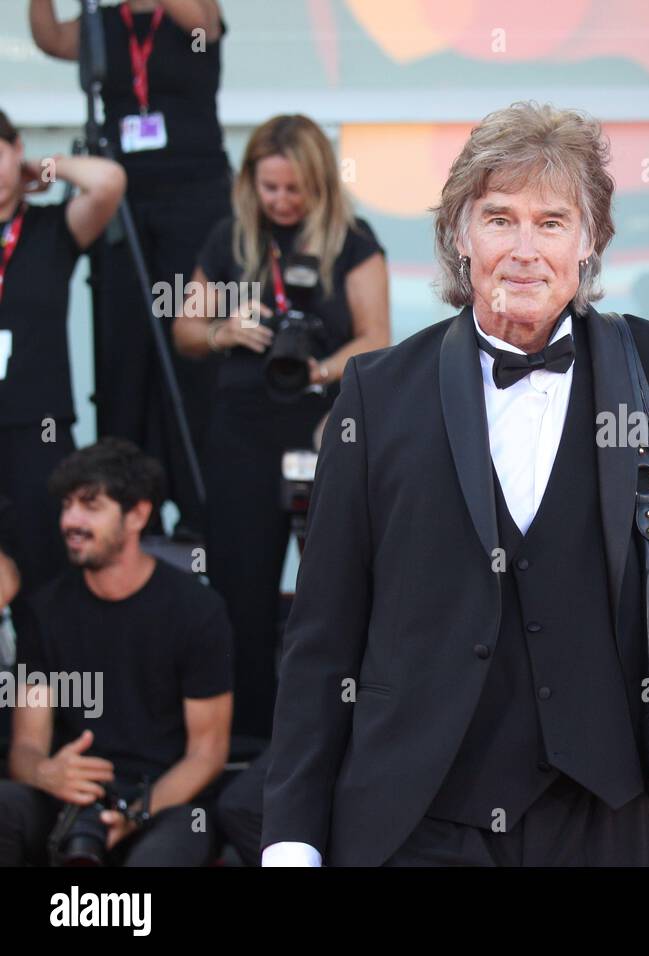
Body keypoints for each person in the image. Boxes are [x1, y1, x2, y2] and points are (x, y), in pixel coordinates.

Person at [260, 101, 649, 867]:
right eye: (499, 219)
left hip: (598, 806)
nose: (524, 250)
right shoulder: (376, 393)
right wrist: (291, 840)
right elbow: (322, 631)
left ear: (590, 239)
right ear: (459, 235)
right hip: (412, 815)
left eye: (552, 221)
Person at [173, 113, 390, 739]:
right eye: (270, 188)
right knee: (240, 585)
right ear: (251, 183)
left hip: (323, 429)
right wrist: (223, 330)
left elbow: (376, 340)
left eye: (294, 189)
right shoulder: (230, 239)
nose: (282, 201)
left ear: (319, 183)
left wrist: (319, 371)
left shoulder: (351, 239)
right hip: (240, 431)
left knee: (336, 588)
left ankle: (343, 731)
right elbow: (184, 331)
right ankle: (248, 740)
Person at [29, 0, 231, 537]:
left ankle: (199, 510)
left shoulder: (191, 17)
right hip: (122, 203)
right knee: (123, 355)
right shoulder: (103, 24)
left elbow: (201, 22)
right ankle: (128, 507)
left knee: (187, 349)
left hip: (191, 199)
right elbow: (51, 39)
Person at [0, 438, 233, 866]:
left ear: (138, 514)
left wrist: (134, 814)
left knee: (168, 850)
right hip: (71, 795)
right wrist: (44, 772)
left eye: (90, 505)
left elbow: (207, 753)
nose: (70, 520)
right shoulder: (45, 611)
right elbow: (25, 746)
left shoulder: (197, 611)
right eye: (67, 505)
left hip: (162, 799)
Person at [0, 108, 126, 623]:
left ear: (15, 149)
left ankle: (44, 693)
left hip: (38, 425)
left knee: (46, 567)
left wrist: (45, 168)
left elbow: (108, 181)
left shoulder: (49, 228)